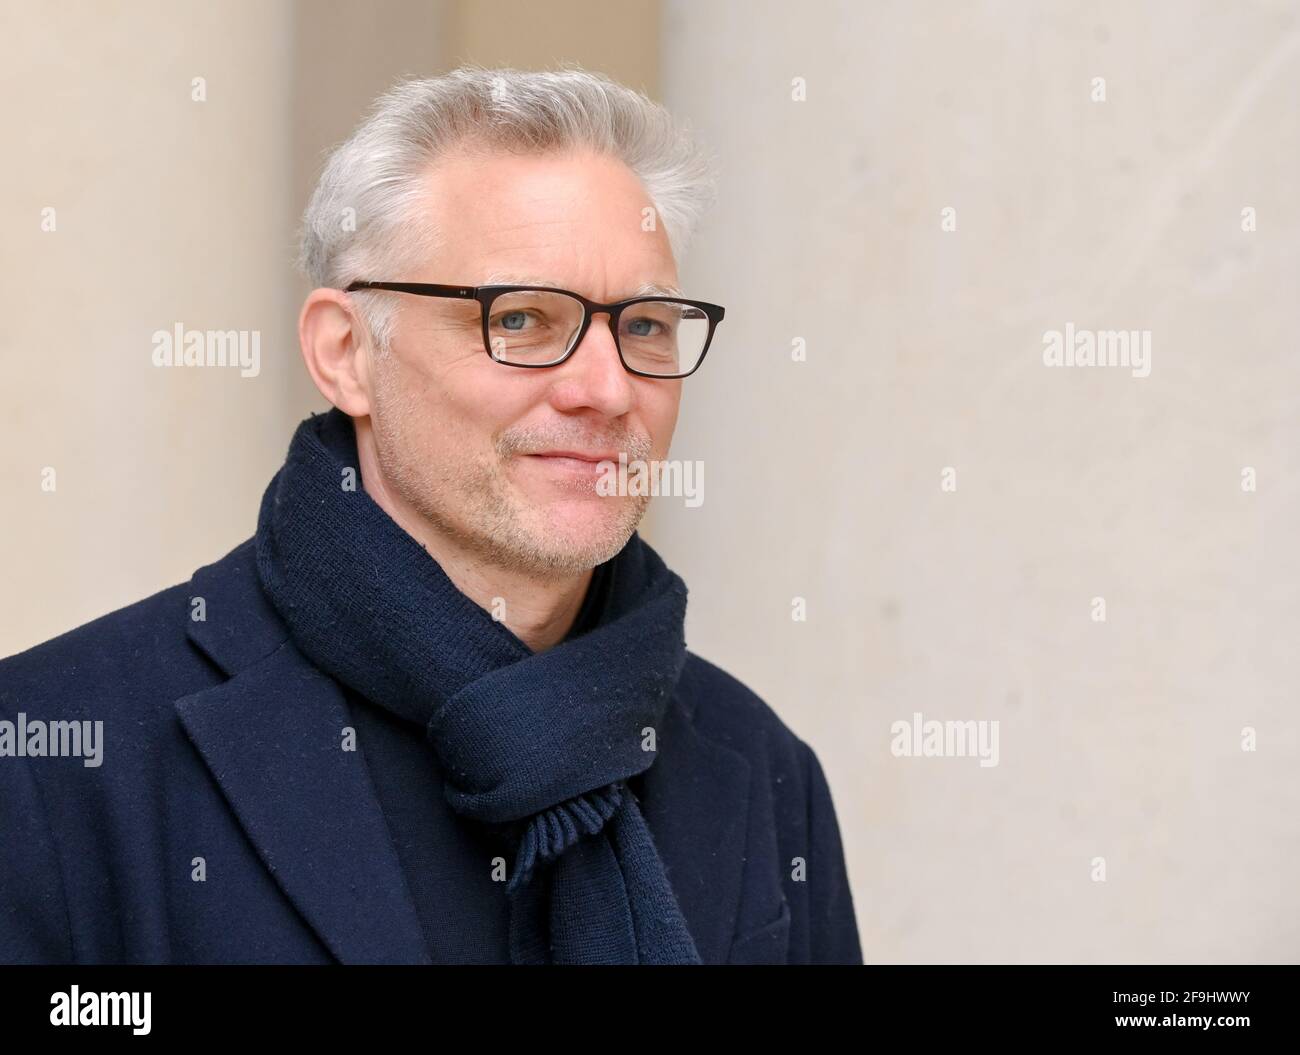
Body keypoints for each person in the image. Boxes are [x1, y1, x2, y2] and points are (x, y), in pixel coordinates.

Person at [0, 65, 862, 964]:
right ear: (345, 354)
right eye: (523, 318)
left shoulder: (760, 768)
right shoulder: (53, 756)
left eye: (644, 326)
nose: (607, 389)